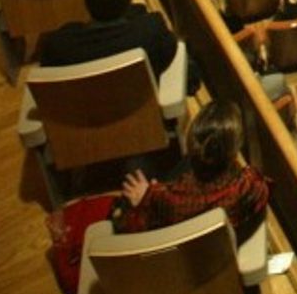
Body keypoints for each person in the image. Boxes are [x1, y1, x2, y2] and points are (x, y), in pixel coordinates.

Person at [111, 100, 271, 241]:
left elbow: (133, 230)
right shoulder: (251, 186)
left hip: (173, 260)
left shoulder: (165, 198)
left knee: (134, 166)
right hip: (216, 259)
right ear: (235, 148)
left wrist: (144, 199)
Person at [37, 0, 179, 72]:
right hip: (137, 105)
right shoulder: (151, 29)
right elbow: (168, 54)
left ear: (86, 3)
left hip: (79, 109)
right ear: (128, 3)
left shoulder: (56, 45)